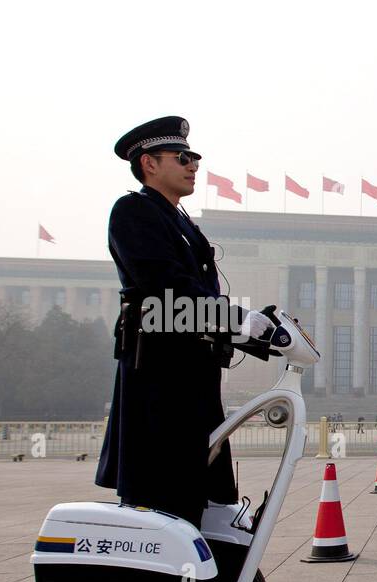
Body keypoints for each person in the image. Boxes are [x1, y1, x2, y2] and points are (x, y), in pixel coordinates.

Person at [96, 116, 272, 528]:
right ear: (149, 163)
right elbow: (168, 292)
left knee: (198, 489)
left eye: (193, 158)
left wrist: (259, 329)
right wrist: (243, 324)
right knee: (165, 492)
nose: (193, 165)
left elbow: (199, 297)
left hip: (191, 371)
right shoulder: (134, 212)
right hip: (159, 372)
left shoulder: (181, 223)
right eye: (182, 157)